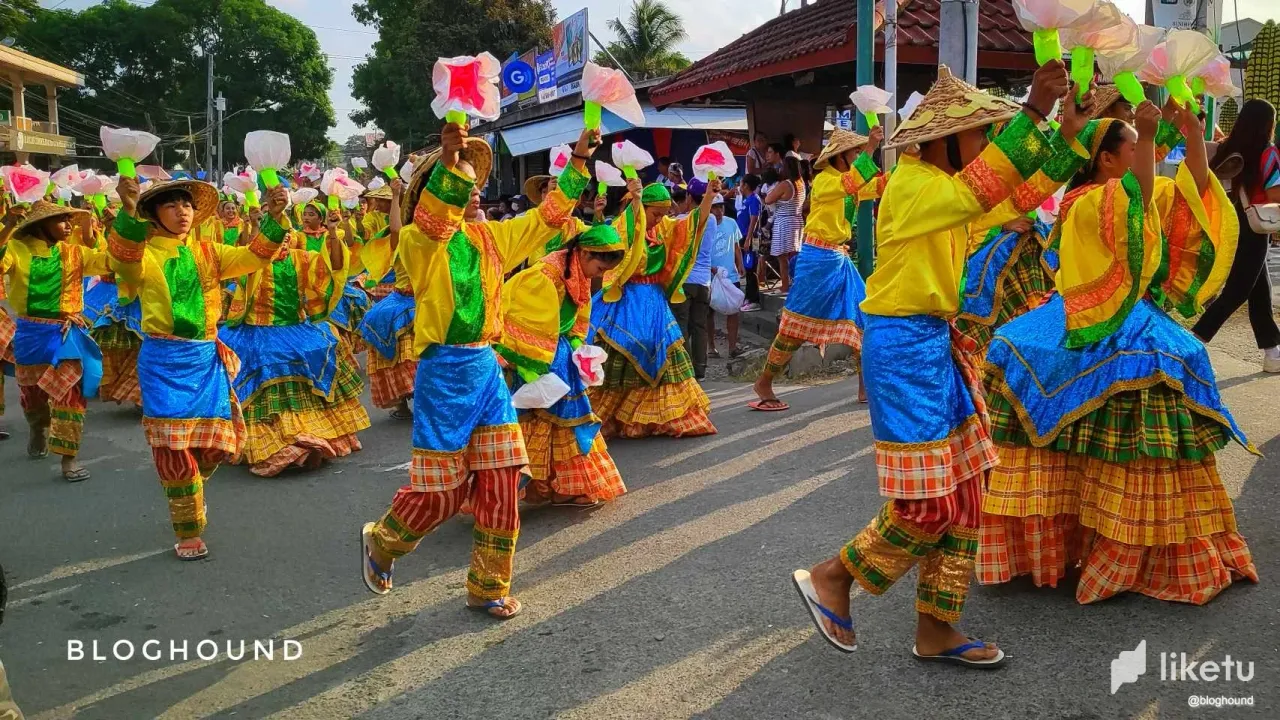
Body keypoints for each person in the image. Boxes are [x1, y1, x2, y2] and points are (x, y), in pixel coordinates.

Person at [791, 62, 1082, 667]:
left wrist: (1067, 135)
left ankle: (936, 629)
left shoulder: (943, 192)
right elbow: (983, 187)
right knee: (928, 506)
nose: (983, 145)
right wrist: (1031, 112)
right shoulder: (914, 183)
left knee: (968, 490)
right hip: (903, 349)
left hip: (933, 345)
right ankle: (834, 576)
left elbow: (1013, 198)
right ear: (941, 140)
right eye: (978, 133)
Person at [979, 100, 1258, 605]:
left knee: (1178, 360)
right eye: (1133, 147)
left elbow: (1191, 188)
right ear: (1107, 160)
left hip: (1126, 312)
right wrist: (1151, 139)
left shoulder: (1120, 188)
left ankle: (1119, 549)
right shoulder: (1087, 200)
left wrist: (1192, 132)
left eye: (1139, 147)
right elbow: (1138, 197)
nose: (1141, 154)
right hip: (1087, 314)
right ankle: (1092, 545)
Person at [358, 123, 596, 618]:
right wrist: (449, 160)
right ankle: (383, 541)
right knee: (441, 495)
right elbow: (434, 222)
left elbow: (548, 217)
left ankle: (488, 586)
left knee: (504, 481)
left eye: (474, 183)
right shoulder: (419, 245)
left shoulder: (492, 237)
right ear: (435, 195)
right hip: (444, 375)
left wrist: (577, 159)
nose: (473, 191)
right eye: (461, 184)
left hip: (486, 369)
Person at [107, 176, 287, 560]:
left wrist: (276, 215)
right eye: (171, 205)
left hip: (206, 359)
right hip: (163, 363)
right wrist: (125, 210)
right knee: (174, 449)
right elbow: (121, 259)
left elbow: (255, 255)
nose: (182, 211)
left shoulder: (210, 252)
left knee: (210, 448)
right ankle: (189, 531)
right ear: (154, 217)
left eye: (186, 205)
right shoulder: (145, 254)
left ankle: (189, 490)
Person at [497, 212, 639, 507]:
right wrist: (533, 368)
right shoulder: (545, 275)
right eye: (599, 267)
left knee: (561, 423)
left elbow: (575, 317)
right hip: (538, 357)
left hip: (559, 355)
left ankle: (557, 488)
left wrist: (579, 346)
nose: (598, 276)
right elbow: (525, 323)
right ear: (584, 252)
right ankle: (516, 490)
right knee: (546, 421)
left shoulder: (578, 272)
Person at [220, 199, 370, 477]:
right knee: (259, 361)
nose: (281, 240)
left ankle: (309, 436)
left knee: (322, 347)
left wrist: (334, 232)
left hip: (297, 328)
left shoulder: (302, 259)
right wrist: (254, 224)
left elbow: (334, 268)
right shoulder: (251, 263)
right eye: (273, 234)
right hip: (256, 332)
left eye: (285, 234)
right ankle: (281, 441)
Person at [750, 127, 883, 411]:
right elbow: (853, 182)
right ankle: (764, 381)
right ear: (841, 156)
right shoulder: (824, 181)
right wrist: (871, 149)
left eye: (860, 151)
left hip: (838, 258)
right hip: (817, 258)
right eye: (855, 151)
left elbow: (878, 185)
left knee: (863, 319)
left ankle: (864, 388)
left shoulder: (847, 180)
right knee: (795, 328)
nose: (859, 154)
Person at [588, 180, 718, 438]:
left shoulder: (664, 229)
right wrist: (634, 203)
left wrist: (708, 199)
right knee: (622, 352)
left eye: (663, 214)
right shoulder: (627, 227)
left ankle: (659, 417)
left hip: (655, 300)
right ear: (643, 208)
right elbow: (616, 239)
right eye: (655, 213)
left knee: (668, 354)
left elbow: (690, 226)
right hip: (627, 299)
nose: (659, 219)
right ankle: (616, 416)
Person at [1, 202, 105, 482]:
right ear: (41, 224)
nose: (68, 225)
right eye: (61, 220)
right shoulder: (17, 249)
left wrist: (128, 224)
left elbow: (110, 261)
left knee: (72, 398)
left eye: (69, 220)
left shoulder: (74, 253)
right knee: (33, 396)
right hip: (31, 334)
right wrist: (8, 227)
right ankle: (38, 426)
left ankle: (68, 459)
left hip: (66, 334)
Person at [1191, 98, 1280, 373]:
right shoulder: (1268, 153)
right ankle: (1192, 343)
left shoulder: (1225, 148)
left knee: (1258, 285)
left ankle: (1272, 351)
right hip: (1255, 225)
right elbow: (1275, 194)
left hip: (1224, 222)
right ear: (1268, 124)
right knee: (1238, 291)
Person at [672, 180, 715, 379]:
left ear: (689, 197)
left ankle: (686, 368)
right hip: (704, 280)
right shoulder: (713, 219)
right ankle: (700, 369)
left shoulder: (681, 219)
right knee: (699, 325)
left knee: (681, 323)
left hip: (685, 280)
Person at [705, 194, 745, 358]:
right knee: (709, 313)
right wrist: (710, 268)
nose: (718, 210)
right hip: (710, 276)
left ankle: (732, 348)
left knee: (733, 311)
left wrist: (740, 263)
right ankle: (711, 347)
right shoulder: (705, 225)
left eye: (720, 206)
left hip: (730, 275)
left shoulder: (731, 223)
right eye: (714, 207)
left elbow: (736, 246)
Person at [765, 155, 806, 293]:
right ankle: (797, 282)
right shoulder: (801, 183)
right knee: (795, 254)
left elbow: (768, 199)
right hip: (797, 220)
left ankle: (785, 286)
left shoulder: (785, 184)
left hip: (784, 222)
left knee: (782, 257)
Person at [736, 175, 764, 311]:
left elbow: (754, 219)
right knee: (746, 270)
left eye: (741, 183)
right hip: (743, 238)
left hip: (751, 239)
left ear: (746, 185)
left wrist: (748, 239)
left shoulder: (754, 199)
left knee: (751, 268)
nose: (739, 185)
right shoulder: (746, 199)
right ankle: (748, 297)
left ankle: (755, 300)